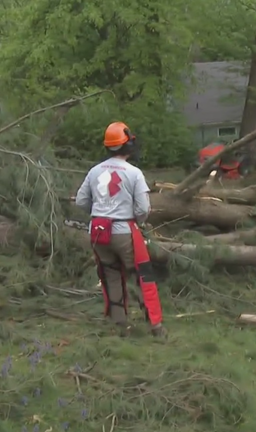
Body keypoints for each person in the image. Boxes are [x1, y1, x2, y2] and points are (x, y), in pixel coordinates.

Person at [75, 121, 167, 338]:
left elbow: (81, 201)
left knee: (111, 274)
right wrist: (139, 221)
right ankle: (155, 326)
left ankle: (119, 324)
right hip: (124, 230)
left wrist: (99, 212)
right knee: (141, 276)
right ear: (128, 145)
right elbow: (143, 208)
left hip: (98, 231)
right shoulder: (134, 173)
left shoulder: (94, 171)